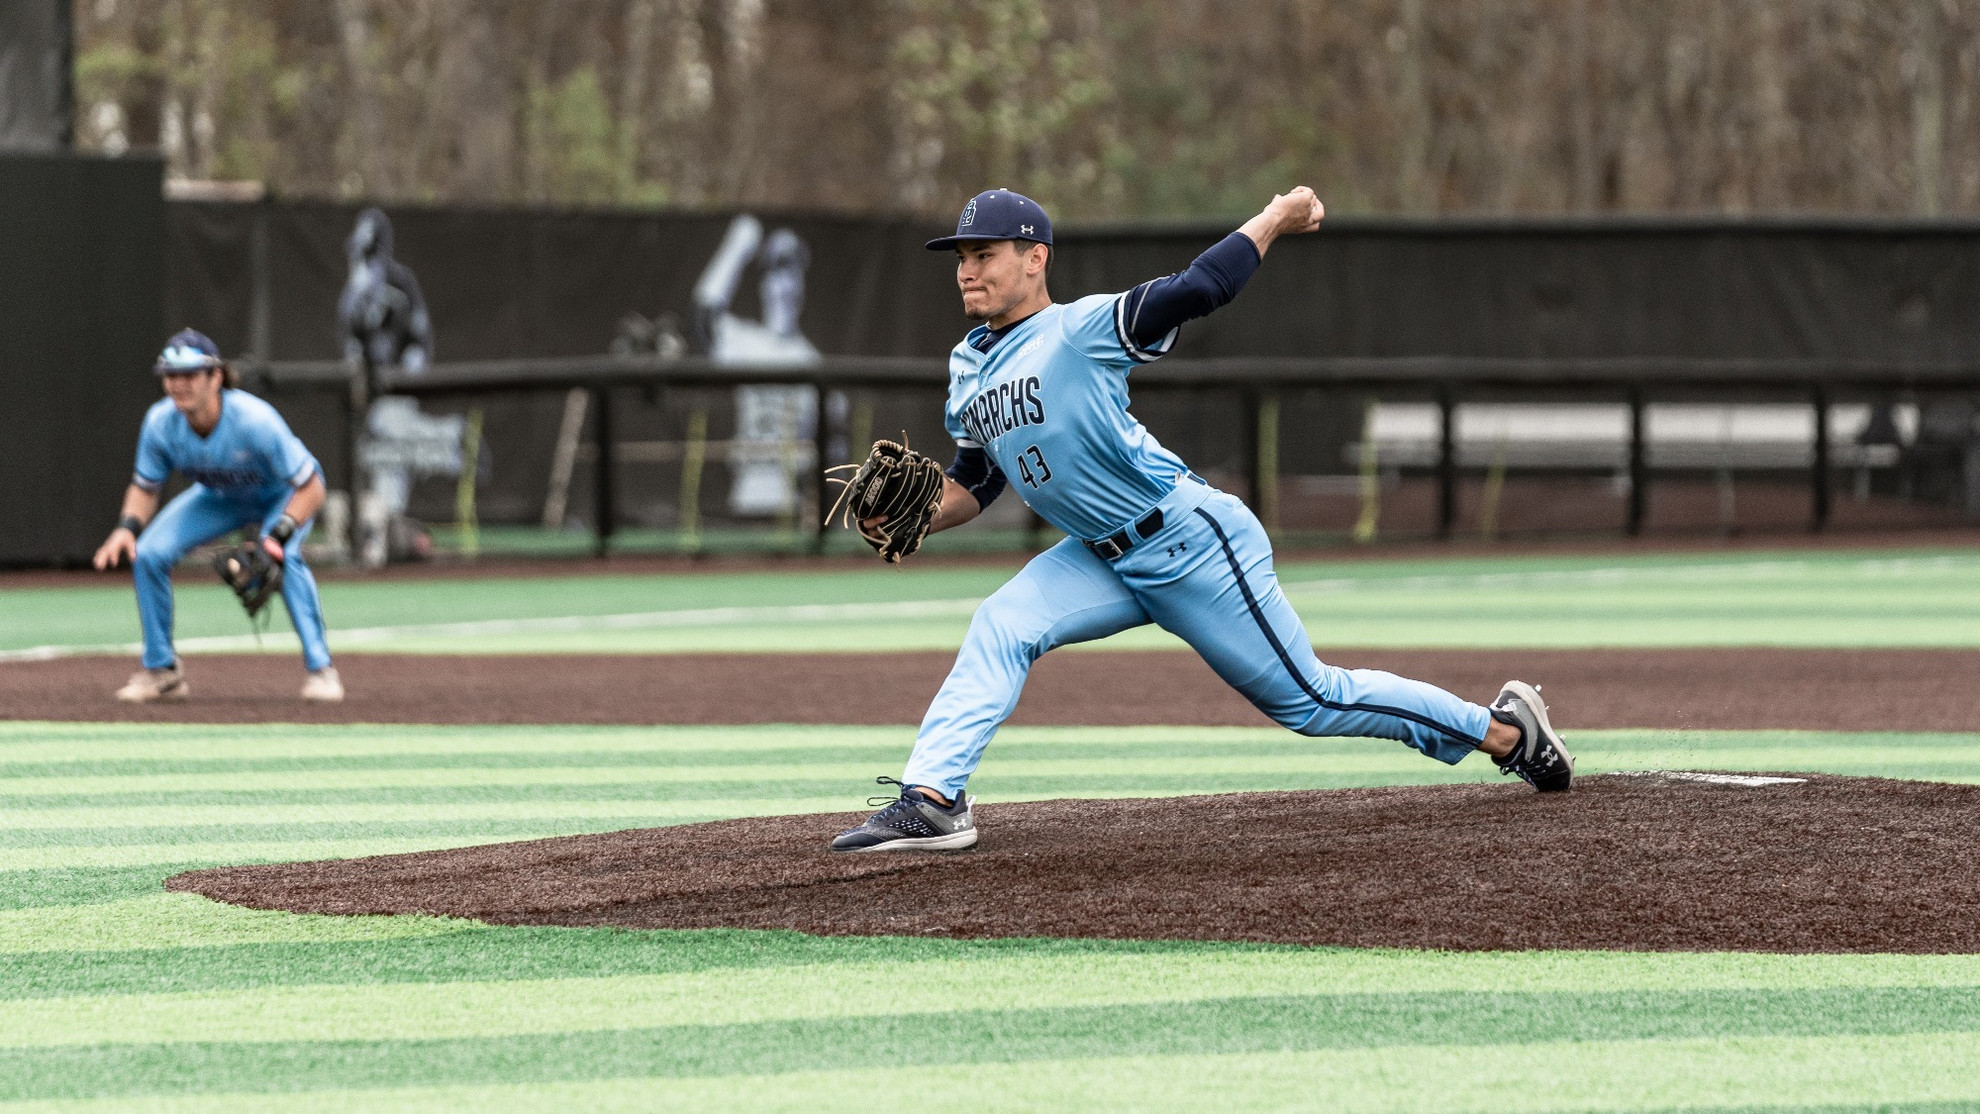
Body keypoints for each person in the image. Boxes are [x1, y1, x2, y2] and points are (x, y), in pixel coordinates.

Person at [830, 187, 1572, 852]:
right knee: (1002, 624)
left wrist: (1277, 216)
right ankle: (933, 799)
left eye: (983, 254)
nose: (966, 269)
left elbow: (1200, 287)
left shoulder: (1081, 329)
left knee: (1312, 701)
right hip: (1096, 556)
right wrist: (923, 515)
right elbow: (977, 480)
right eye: (960, 256)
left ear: (1035, 259)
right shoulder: (967, 369)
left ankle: (1504, 732)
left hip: (1187, 539)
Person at [93, 329, 343, 703]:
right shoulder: (161, 423)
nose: (179, 384)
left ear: (217, 376)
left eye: (190, 374)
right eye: (171, 376)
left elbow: (311, 487)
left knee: (284, 557)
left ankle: (321, 670)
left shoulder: (254, 420)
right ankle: (163, 671)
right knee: (148, 554)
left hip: (283, 497)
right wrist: (126, 527)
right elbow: (145, 488)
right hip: (220, 497)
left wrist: (276, 536)